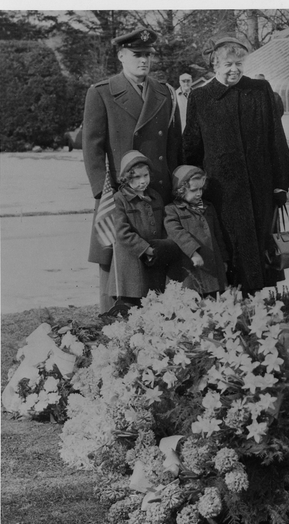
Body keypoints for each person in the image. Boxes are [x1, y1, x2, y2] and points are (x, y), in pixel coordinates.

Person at [183, 35, 289, 296]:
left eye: (239, 63)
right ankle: (228, 304)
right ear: (215, 65)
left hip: (259, 187)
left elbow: (276, 138)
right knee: (227, 246)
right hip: (220, 190)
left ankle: (254, 304)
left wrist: (281, 183)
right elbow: (191, 147)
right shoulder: (201, 97)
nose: (234, 69)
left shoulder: (259, 90)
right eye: (228, 64)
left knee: (257, 245)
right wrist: (190, 186)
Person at [82, 27, 182, 312]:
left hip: (158, 191)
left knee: (157, 255)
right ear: (121, 56)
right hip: (121, 194)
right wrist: (103, 192)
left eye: (148, 55)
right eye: (137, 55)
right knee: (118, 256)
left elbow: (175, 146)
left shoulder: (165, 93)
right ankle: (114, 318)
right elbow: (92, 147)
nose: (144, 61)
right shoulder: (101, 93)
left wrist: (176, 187)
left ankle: (157, 319)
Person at [107, 151, 179, 310]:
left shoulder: (155, 197)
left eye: (145, 175)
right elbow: (122, 232)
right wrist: (145, 249)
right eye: (136, 177)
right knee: (131, 302)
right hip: (130, 260)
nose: (142, 181)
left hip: (154, 258)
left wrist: (164, 246)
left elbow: (163, 225)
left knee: (152, 300)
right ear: (126, 178)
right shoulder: (120, 199)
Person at [164, 165, 229, 296]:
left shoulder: (208, 207)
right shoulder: (172, 210)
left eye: (201, 189)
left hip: (212, 265)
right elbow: (178, 234)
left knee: (214, 302)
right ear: (181, 190)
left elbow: (218, 235)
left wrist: (224, 259)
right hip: (189, 266)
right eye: (194, 190)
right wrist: (193, 252)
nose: (199, 193)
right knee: (192, 301)